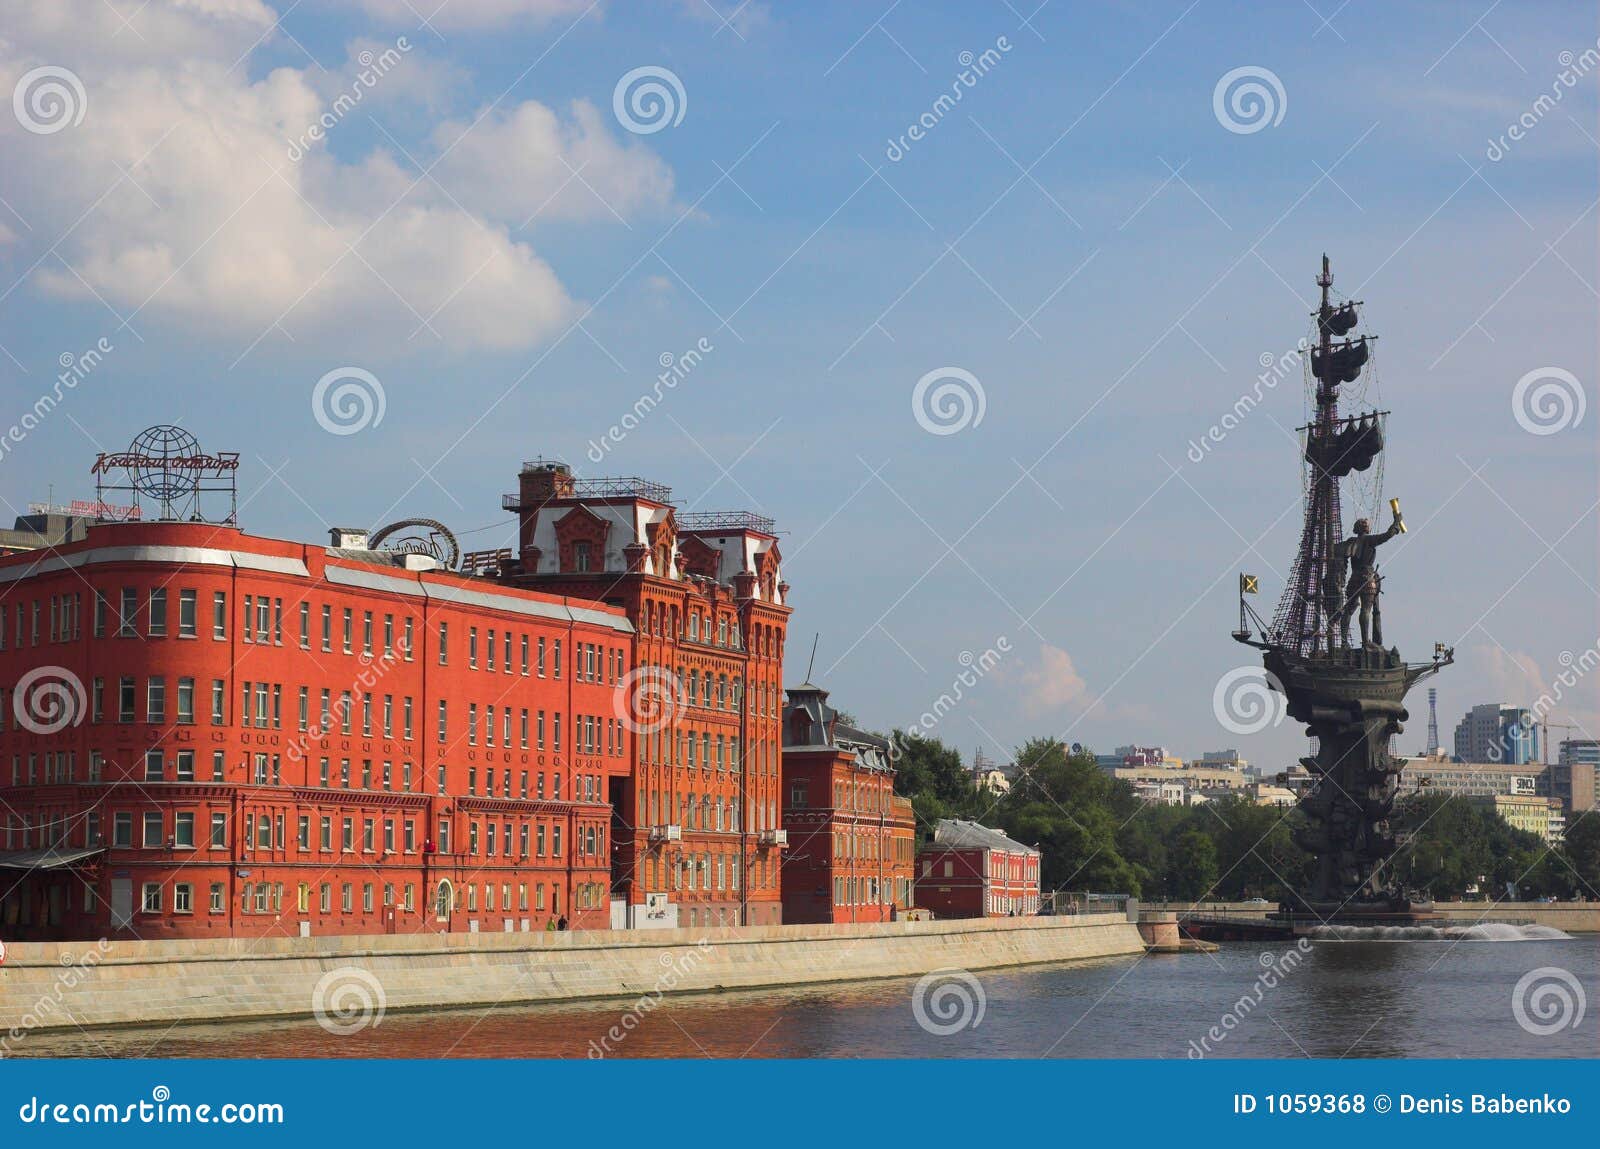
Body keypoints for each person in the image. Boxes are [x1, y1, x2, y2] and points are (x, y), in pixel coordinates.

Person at [1336, 510, 1402, 649]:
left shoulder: (1351, 542)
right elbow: (1387, 535)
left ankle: (1343, 642)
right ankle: (1366, 642)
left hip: (1354, 578)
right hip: (1367, 578)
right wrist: (1396, 523)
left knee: (1349, 609)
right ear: (1365, 528)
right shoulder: (1370, 540)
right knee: (1365, 609)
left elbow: (1338, 550)